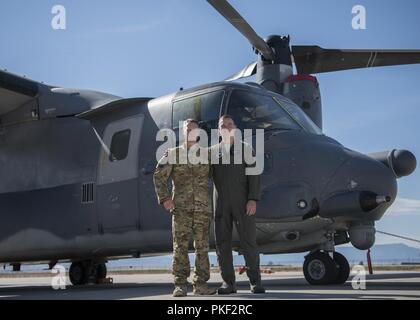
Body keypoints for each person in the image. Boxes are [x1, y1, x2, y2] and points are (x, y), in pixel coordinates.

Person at [153, 119, 216, 297]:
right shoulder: (172, 154)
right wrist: (165, 198)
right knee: (180, 247)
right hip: (181, 209)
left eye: (194, 129)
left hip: (203, 210)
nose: (191, 132)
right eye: (187, 129)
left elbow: (217, 176)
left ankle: (201, 285)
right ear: (183, 131)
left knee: (202, 248)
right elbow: (159, 176)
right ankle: (180, 285)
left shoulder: (207, 156)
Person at [211, 115, 265, 294]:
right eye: (222, 126)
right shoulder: (212, 152)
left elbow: (254, 175)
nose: (226, 127)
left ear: (235, 127)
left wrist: (253, 199)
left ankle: (255, 282)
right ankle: (228, 283)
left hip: (243, 203)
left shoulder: (246, 149)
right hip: (221, 205)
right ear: (218, 130)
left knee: (249, 242)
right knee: (222, 244)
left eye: (229, 124)